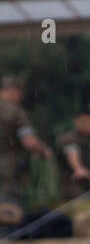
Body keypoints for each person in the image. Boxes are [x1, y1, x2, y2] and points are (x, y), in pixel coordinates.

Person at [0, 75, 55, 231]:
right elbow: (29, 141)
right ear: (13, 91)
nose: (20, 97)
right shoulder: (15, 113)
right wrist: (44, 151)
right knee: (7, 213)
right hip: (6, 174)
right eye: (19, 92)